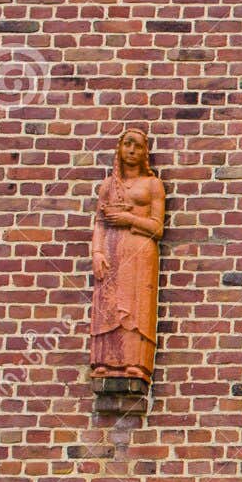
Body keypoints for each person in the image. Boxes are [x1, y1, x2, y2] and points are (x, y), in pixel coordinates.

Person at [90, 126, 165, 381]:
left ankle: (135, 362)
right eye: (127, 144)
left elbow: (157, 227)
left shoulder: (152, 185)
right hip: (112, 248)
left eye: (138, 146)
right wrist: (97, 252)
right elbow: (100, 222)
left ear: (145, 152)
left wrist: (128, 218)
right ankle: (104, 362)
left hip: (140, 252)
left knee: (136, 307)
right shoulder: (108, 185)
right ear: (119, 149)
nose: (131, 150)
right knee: (108, 304)